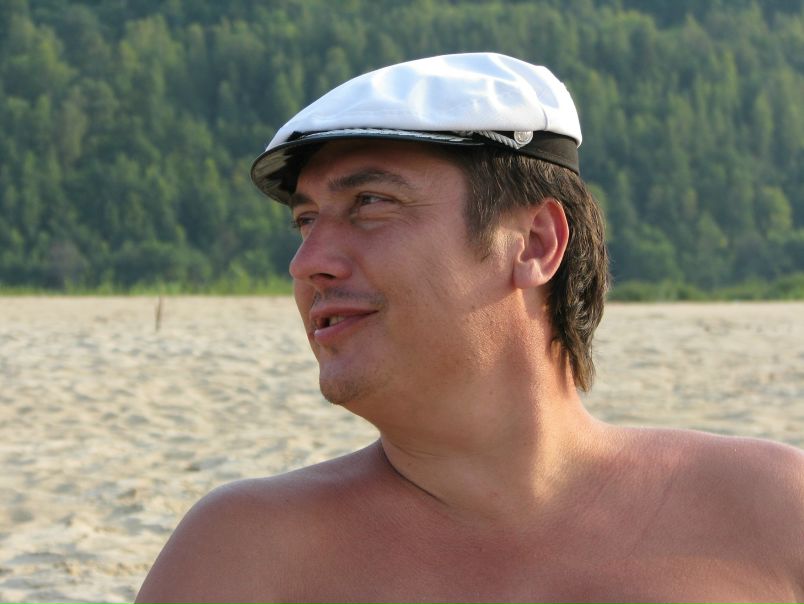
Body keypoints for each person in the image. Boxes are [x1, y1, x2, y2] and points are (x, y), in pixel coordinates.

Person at [136, 53, 804, 603]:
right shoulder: (246, 557)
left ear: (535, 242)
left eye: (370, 204)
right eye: (306, 220)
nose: (307, 262)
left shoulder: (769, 511)